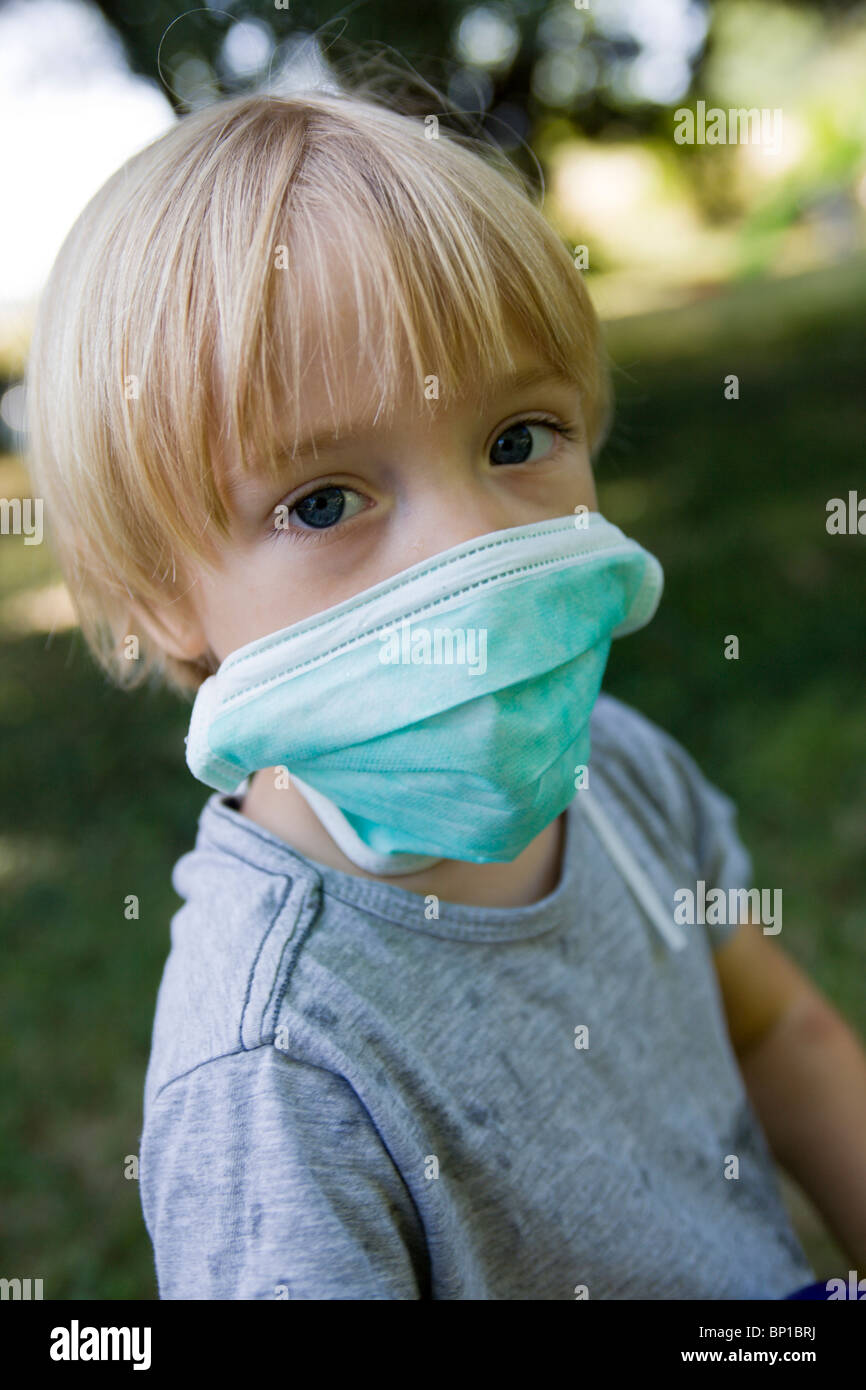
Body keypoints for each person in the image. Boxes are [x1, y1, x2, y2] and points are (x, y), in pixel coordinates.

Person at [25, 81, 866, 1300]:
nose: (464, 546)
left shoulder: (614, 766)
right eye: (322, 501)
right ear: (165, 597)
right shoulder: (273, 1067)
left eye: (517, 438)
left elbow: (776, 1030)